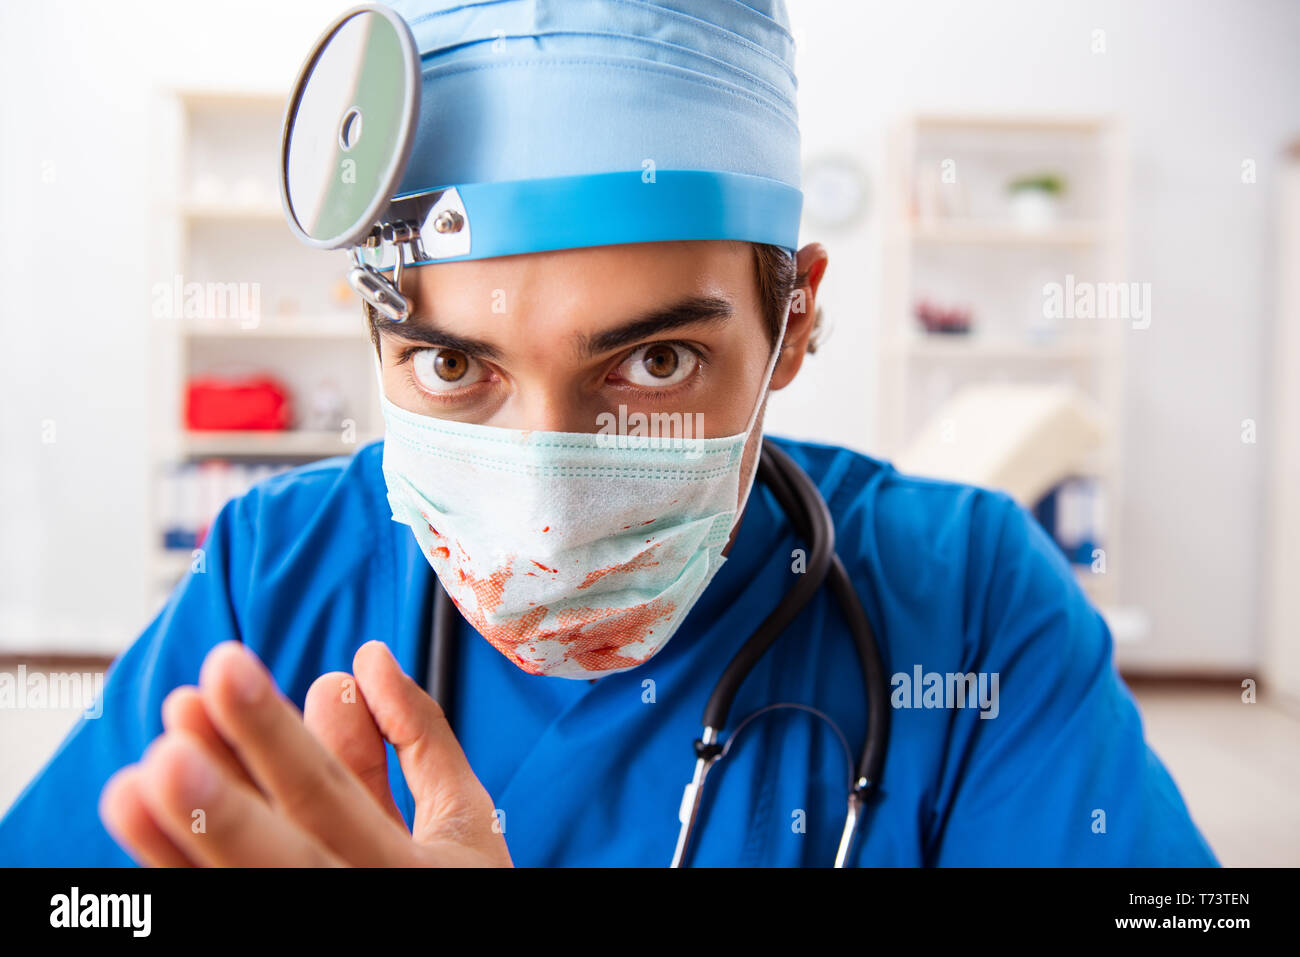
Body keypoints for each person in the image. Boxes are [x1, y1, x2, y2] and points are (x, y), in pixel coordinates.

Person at [0, 0, 1218, 867]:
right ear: (374, 342)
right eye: (451, 363)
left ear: (792, 321)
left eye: (653, 362)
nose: (542, 514)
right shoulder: (276, 576)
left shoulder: (968, 602)